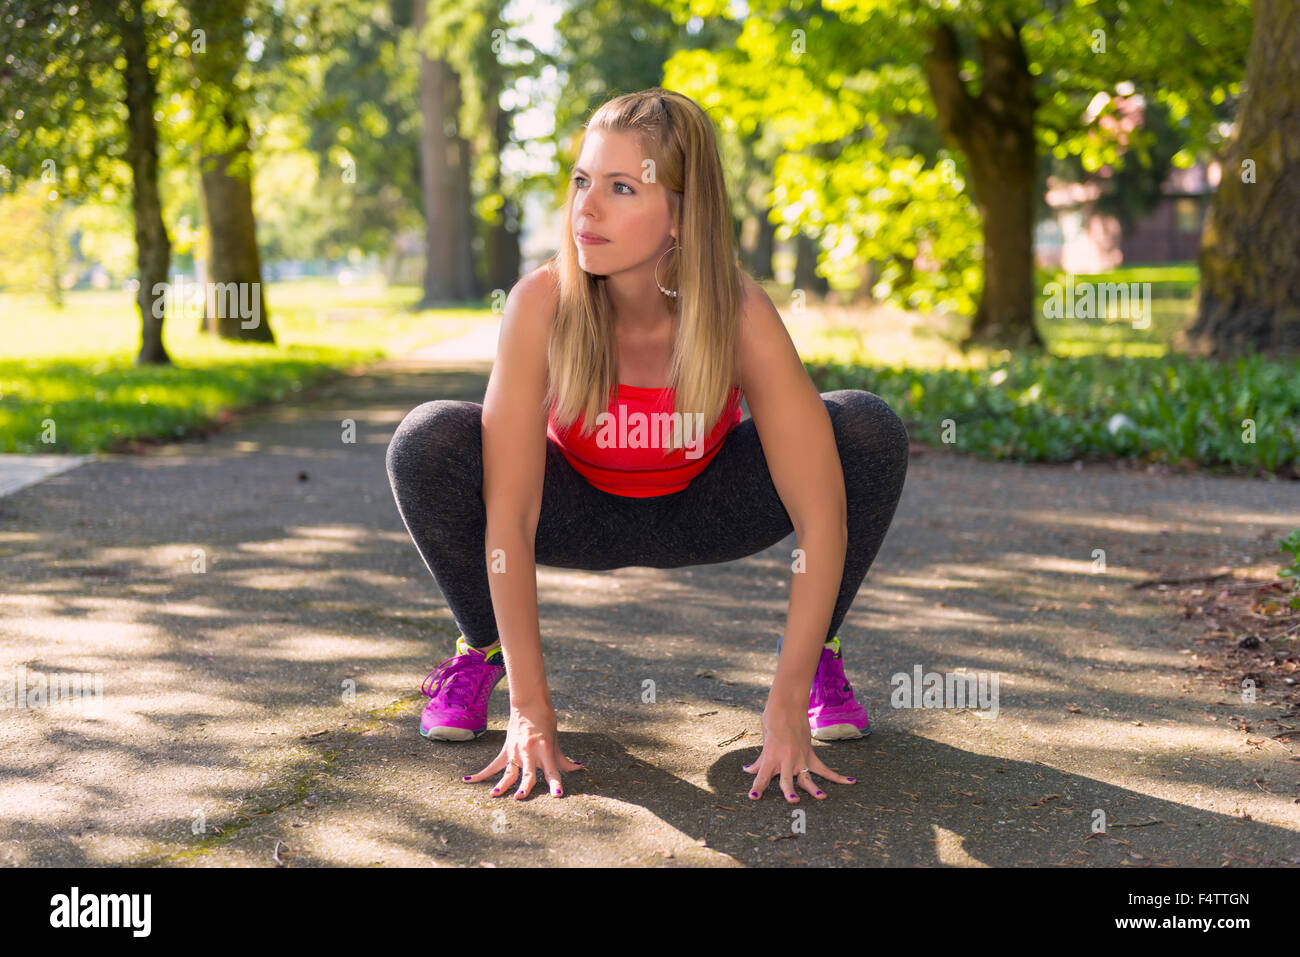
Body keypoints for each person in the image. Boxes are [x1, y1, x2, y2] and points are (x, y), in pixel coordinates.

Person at [386, 88, 909, 805]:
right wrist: (532, 710)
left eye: (622, 188)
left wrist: (784, 705)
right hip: (579, 508)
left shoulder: (738, 311)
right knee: (431, 437)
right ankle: (481, 648)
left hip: (705, 505)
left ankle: (817, 657)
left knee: (863, 428)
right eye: (581, 181)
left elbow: (820, 517)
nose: (586, 209)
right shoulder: (540, 302)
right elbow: (508, 516)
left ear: (681, 217)